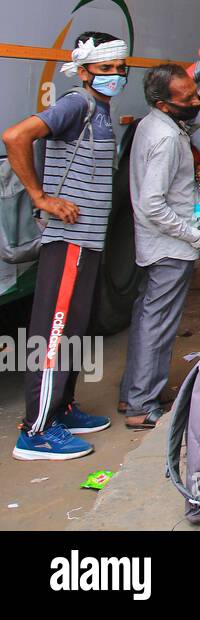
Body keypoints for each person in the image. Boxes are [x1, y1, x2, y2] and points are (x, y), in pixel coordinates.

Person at [4, 32, 127, 460]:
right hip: (69, 241)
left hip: (88, 241)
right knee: (54, 335)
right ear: (86, 69)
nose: (114, 76)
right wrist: (41, 198)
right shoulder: (77, 104)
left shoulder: (100, 109)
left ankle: (62, 409)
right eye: (105, 69)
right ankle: (35, 432)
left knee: (75, 328)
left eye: (118, 68)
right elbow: (16, 136)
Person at [119, 65, 200, 430]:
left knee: (148, 319)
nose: (196, 101)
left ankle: (134, 393)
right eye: (187, 98)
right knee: (157, 324)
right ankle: (141, 405)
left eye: (194, 92)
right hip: (169, 247)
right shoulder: (167, 138)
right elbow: (152, 204)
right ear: (163, 103)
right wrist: (193, 235)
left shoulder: (152, 126)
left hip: (158, 243)